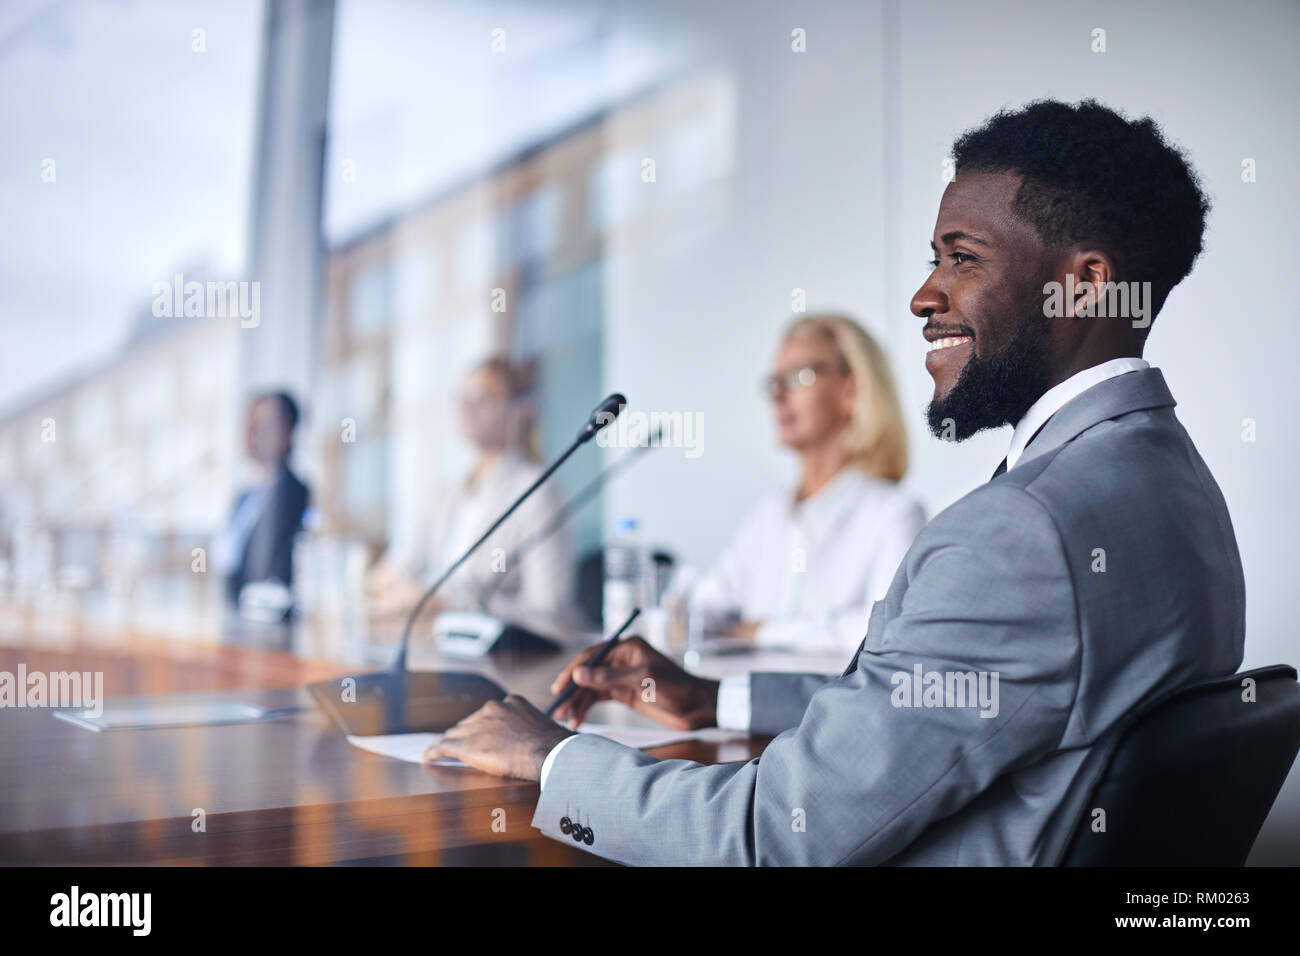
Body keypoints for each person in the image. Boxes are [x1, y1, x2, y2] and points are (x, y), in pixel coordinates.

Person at [423, 99, 1245, 866]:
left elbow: (778, 835)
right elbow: (938, 699)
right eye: (934, 260)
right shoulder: (1174, 483)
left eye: (962, 259)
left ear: (1086, 282)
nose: (925, 295)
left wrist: (554, 758)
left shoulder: (1022, 529)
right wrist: (714, 701)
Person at [690, 314, 924, 654]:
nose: (778, 395)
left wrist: (762, 632)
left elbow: (888, 631)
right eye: (774, 381)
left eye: (800, 375)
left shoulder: (894, 514)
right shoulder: (768, 513)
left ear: (851, 389)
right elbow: (706, 606)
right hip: (741, 703)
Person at [367, 356, 576, 635]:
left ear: (518, 411)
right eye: (463, 398)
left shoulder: (537, 490)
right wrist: (382, 579)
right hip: (439, 644)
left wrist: (449, 603)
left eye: (484, 399)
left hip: (507, 660)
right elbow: (406, 559)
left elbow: (550, 607)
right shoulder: (447, 492)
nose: (467, 409)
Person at [215, 390, 310, 608]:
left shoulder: (299, 495)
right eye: (251, 425)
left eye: (265, 425)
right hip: (236, 617)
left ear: (289, 433)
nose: (254, 434)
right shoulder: (243, 498)